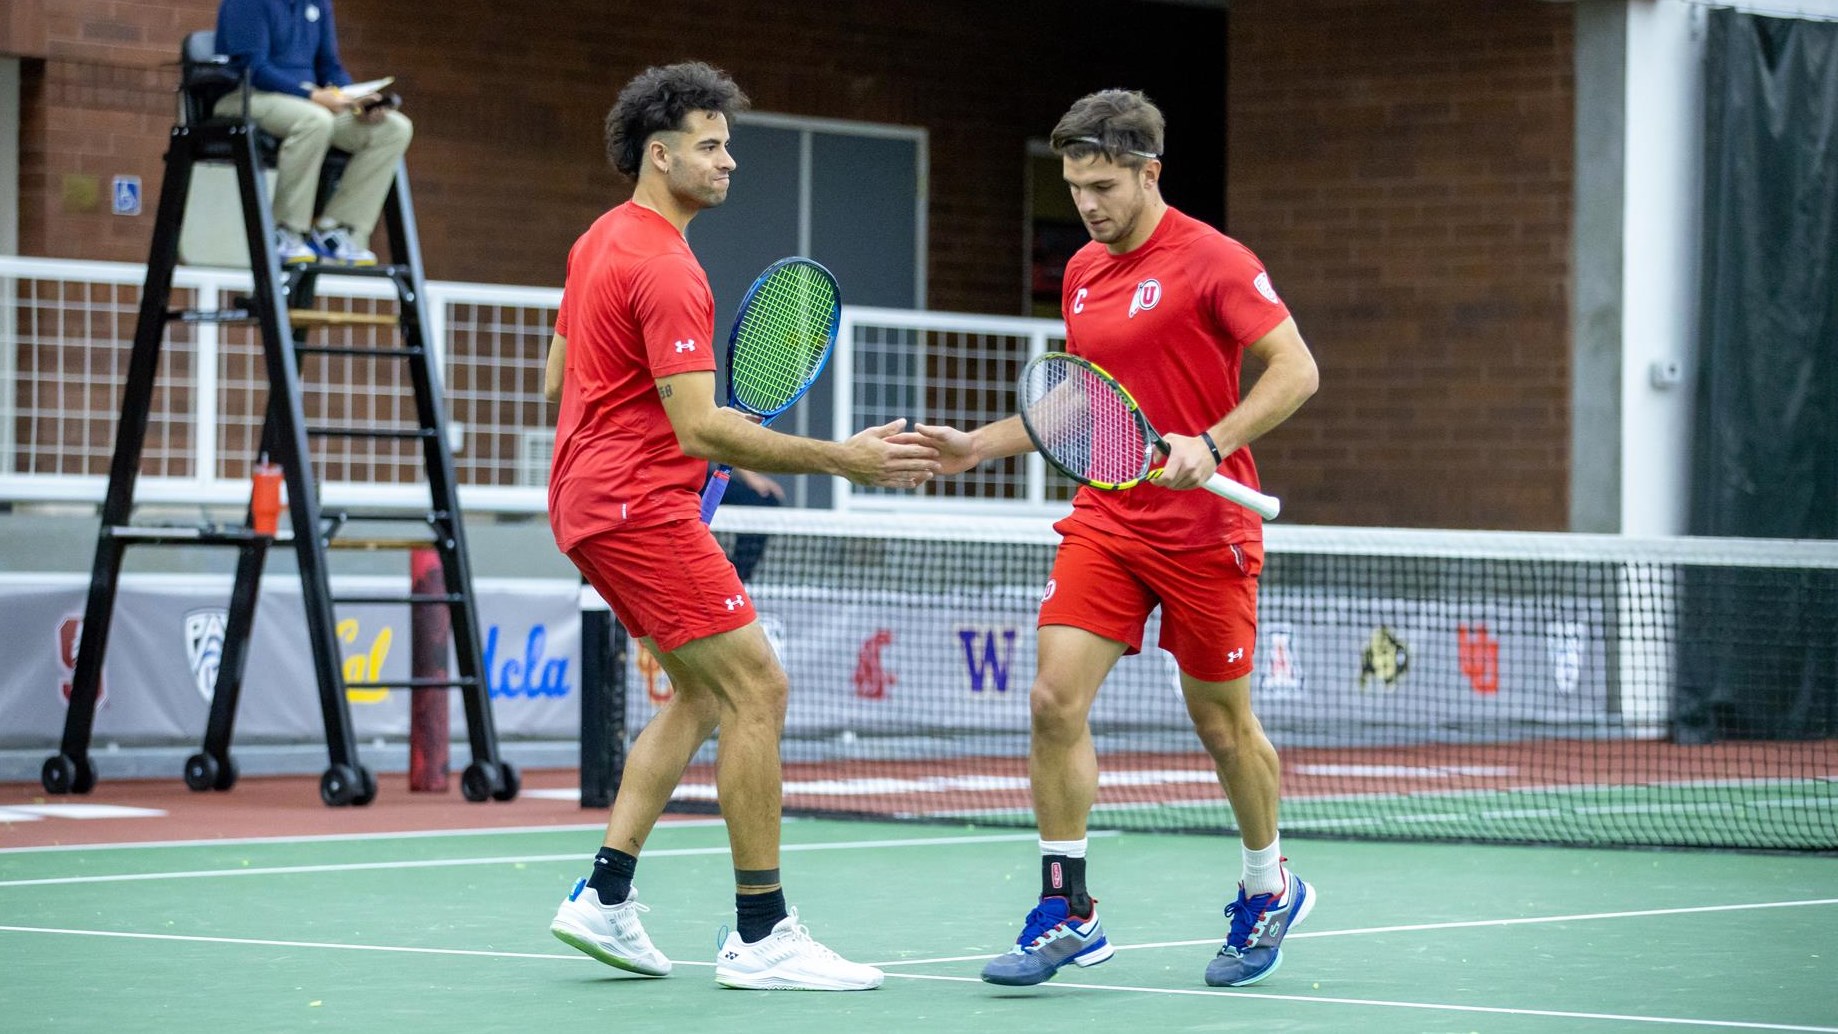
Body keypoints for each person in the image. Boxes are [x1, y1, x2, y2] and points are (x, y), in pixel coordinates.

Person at [543, 61, 938, 992]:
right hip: (638, 504)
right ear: (659, 152)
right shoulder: (667, 266)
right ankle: (762, 932)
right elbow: (694, 422)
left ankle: (603, 897)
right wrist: (846, 456)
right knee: (759, 685)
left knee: (706, 695)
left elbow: (560, 380)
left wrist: (684, 438)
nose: (729, 163)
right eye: (712, 147)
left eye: (729, 147)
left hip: (593, 500)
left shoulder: (598, 241)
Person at [915, 89, 1320, 988]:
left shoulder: (1215, 261)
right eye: (1073, 186)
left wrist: (1210, 443)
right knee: (1053, 700)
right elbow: (1086, 396)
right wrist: (978, 445)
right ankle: (1070, 910)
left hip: (1208, 524)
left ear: (1149, 173)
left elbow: (1298, 368)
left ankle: (1269, 884)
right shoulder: (1083, 271)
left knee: (1221, 724)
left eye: (1102, 184)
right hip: (1109, 516)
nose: (1087, 204)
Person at [214, 0, 413, 266]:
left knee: (394, 129)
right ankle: (286, 230)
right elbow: (253, 68)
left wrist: (354, 98)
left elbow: (330, 67)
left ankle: (336, 229)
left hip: (308, 100)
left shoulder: (318, 3)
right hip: (246, 95)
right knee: (316, 121)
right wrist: (312, 95)